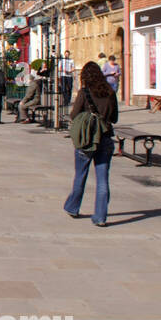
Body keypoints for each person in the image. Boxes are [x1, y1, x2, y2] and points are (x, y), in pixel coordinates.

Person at [64, 61, 119, 227]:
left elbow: (74, 114)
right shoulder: (110, 92)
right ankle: (100, 216)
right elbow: (115, 118)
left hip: (87, 140)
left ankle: (73, 207)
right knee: (103, 180)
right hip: (106, 138)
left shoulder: (84, 92)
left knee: (81, 175)